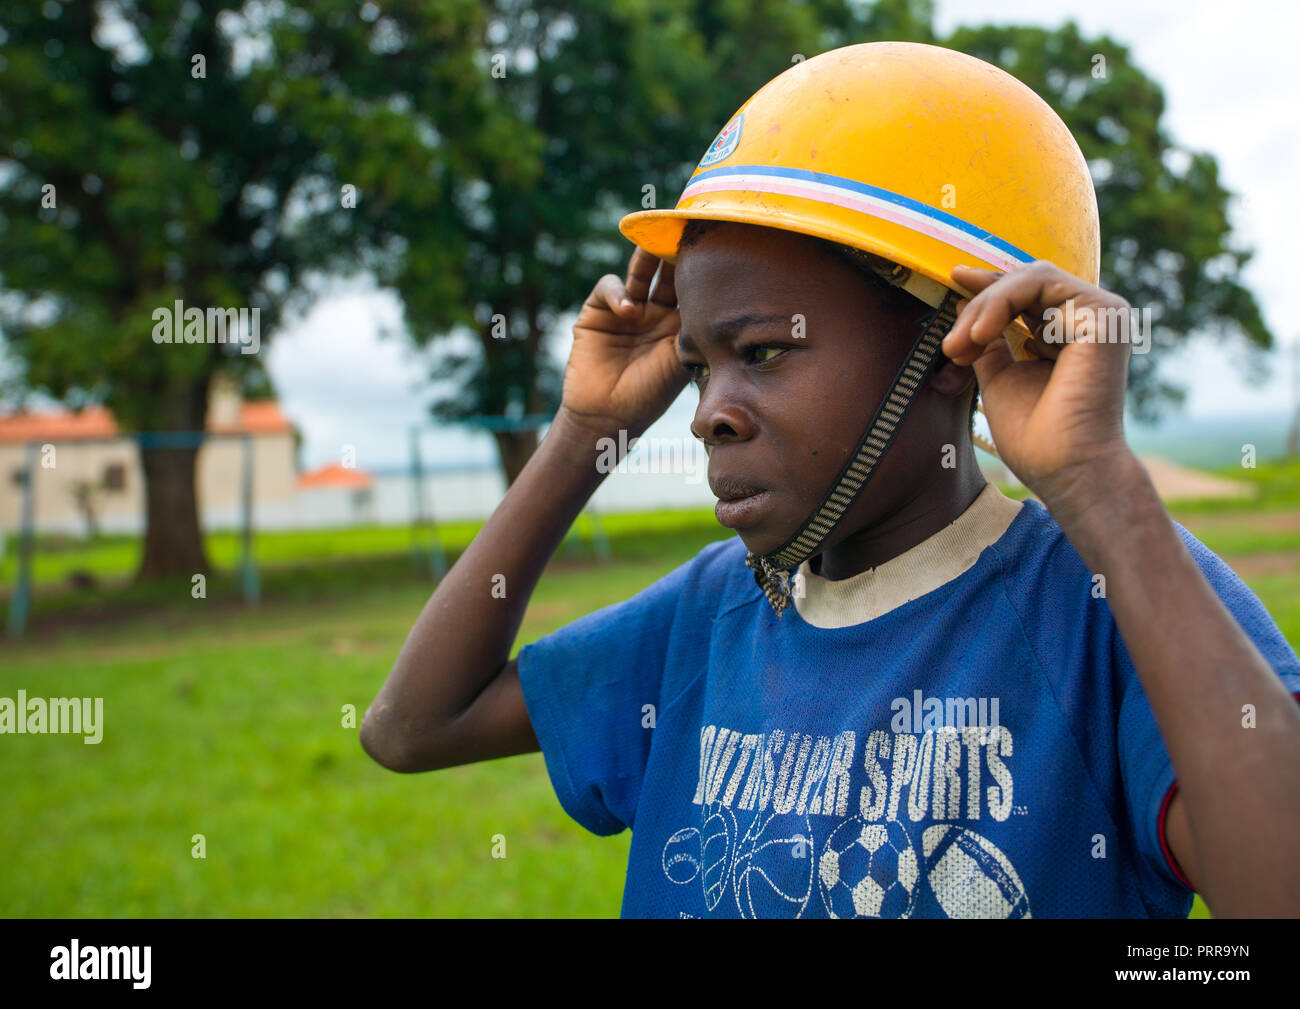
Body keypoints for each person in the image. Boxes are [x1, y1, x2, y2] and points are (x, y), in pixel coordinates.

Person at [360, 42, 1300, 918]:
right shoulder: (706, 618)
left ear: (951, 345)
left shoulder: (1101, 610)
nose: (707, 412)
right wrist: (585, 432)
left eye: (764, 351)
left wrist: (1098, 486)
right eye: (698, 366)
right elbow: (411, 726)